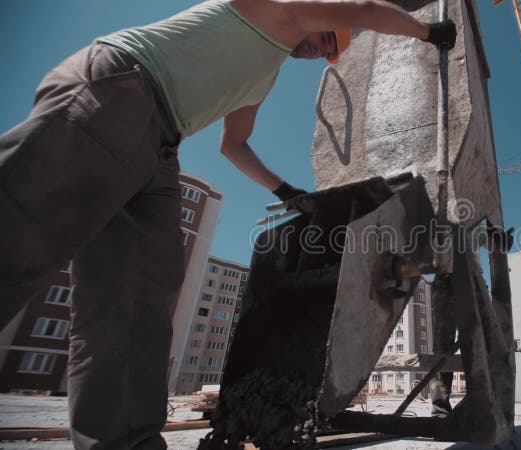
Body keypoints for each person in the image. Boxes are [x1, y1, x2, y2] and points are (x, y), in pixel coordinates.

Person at [0, 1, 456, 448]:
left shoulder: (263, 74)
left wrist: (285, 191)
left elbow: (233, 145)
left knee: (137, 297)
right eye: (324, 37)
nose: (318, 49)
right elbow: (365, 8)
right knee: (21, 230)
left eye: (326, 49)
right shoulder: (273, 7)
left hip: (161, 143)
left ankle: (124, 440)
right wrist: (428, 33)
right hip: (119, 86)